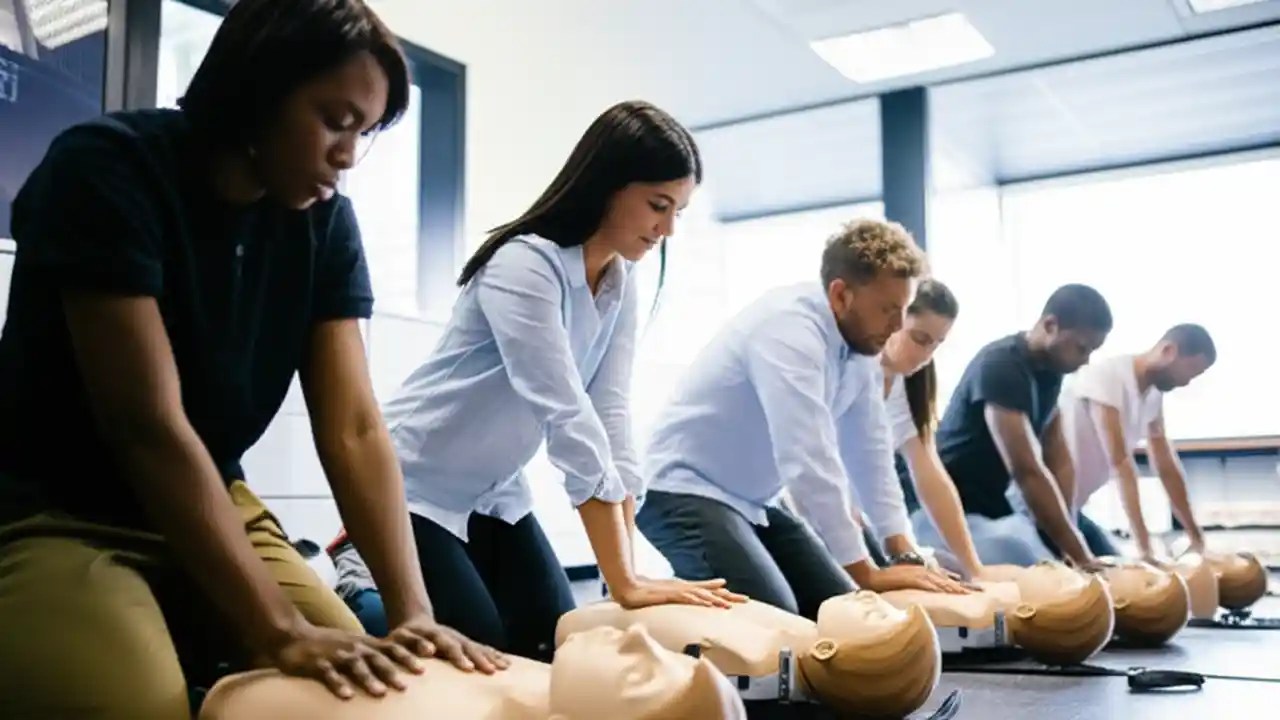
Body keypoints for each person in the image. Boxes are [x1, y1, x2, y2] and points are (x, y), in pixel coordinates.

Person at [0, 2, 506, 718]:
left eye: (364, 132)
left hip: (217, 495)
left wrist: (411, 611)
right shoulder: (106, 169)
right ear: (256, 89)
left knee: (366, 688)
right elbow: (145, 423)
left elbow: (355, 427)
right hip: (55, 509)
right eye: (335, 120)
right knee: (135, 705)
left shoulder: (325, 222)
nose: (348, 154)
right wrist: (276, 628)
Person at [370, 100, 744, 661]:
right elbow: (565, 414)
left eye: (678, 213)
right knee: (477, 648)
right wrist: (624, 582)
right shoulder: (524, 265)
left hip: (494, 496)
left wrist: (631, 571)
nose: (665, 230)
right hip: (411, 488)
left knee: (552, 643)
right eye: (657, 206)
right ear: (609, 186)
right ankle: (358, 582)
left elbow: (610, 413)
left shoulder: (620, 280)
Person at [637, 219, 969, 622]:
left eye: (903, 310)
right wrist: (868, 573)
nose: (898, 326)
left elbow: (871, 456)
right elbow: (808, 461)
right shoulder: (788, 332)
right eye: (888, 310)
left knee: (835, 609)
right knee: (777, 616)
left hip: (754, 501)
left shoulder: (861, 347)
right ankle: (640, 611)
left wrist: (904, 554)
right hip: (680, 491)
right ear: (841, 294)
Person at [920, 284, 1113, 568]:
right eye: (1082, 348)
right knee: (1035, 562)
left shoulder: (1051, 372)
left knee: (1105, 548)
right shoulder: (1002, 365)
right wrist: (1078, 555)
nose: (1085, 360)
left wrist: (1073, 529)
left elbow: (1058, 458)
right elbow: (1027, 470)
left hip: (991, 508)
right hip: (945, 509)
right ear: (1050, 325)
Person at [1055, 324, 1216, 562]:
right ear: (1168, 351)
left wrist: (1196, 537)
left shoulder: (1152, 396)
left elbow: (1166, 465)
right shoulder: (1108, 377)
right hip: (1040, 508)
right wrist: (1145, 548)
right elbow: (1120, 462)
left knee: (1116, 569)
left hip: (1071, 511)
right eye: (1189, 371)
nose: (1187, 382)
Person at [877, 279, 987, 581]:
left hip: (872, 521)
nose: (926, 354)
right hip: (826, 515)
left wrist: (973, 568)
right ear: (893, 320)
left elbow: (930, 475)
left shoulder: (906, 384)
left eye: (937, 344)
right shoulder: (856, 371)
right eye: (920, 338)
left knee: (951, 570)